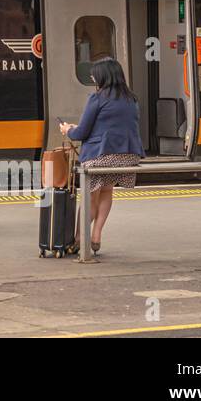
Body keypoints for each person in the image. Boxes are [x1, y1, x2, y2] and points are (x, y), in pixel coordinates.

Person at [57, 57, 144, 255]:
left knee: (90, 195)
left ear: (103, 76)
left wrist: (68, 130)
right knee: (106, 191)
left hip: (101, 157)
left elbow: (81, 134)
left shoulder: (97, 98)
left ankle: (80, 239)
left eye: (94, 74)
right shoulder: (131, 99)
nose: (92, 77)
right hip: (127, 157)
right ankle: (96, 235)